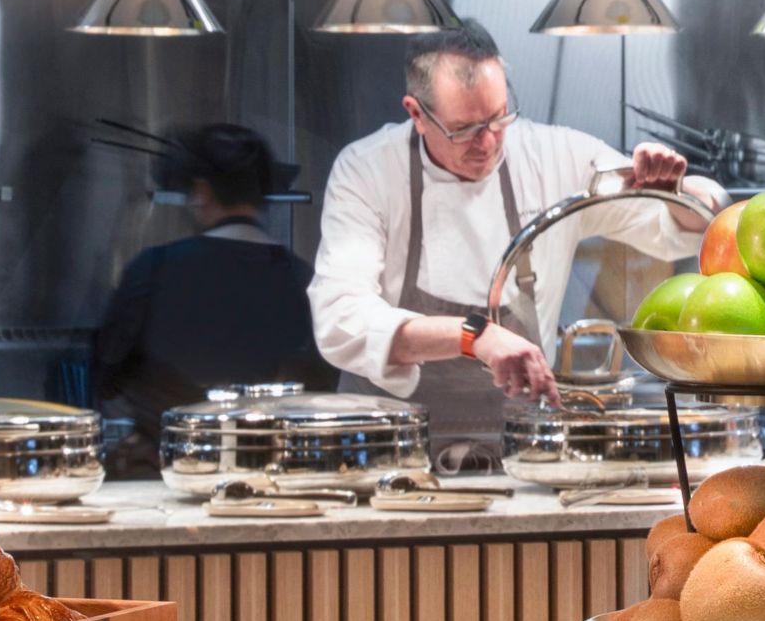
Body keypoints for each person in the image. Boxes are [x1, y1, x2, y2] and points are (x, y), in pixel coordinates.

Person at [308, 28, 719, 444]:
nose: (487, 142)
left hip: (522, 445)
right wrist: (474, 337)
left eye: (499, 117)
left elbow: (691, 224)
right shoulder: (368, 170)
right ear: (416, 114)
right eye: (464, 129)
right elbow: (340, 318)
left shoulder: (554, 157)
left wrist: (673, 187)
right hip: (388, 443)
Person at [85, 124, 326, 423]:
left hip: (168, 449)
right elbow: (322, 384)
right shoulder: (303, 279)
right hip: (278, 448)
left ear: (201, 192)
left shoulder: (153, 269)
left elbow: (107, 378)